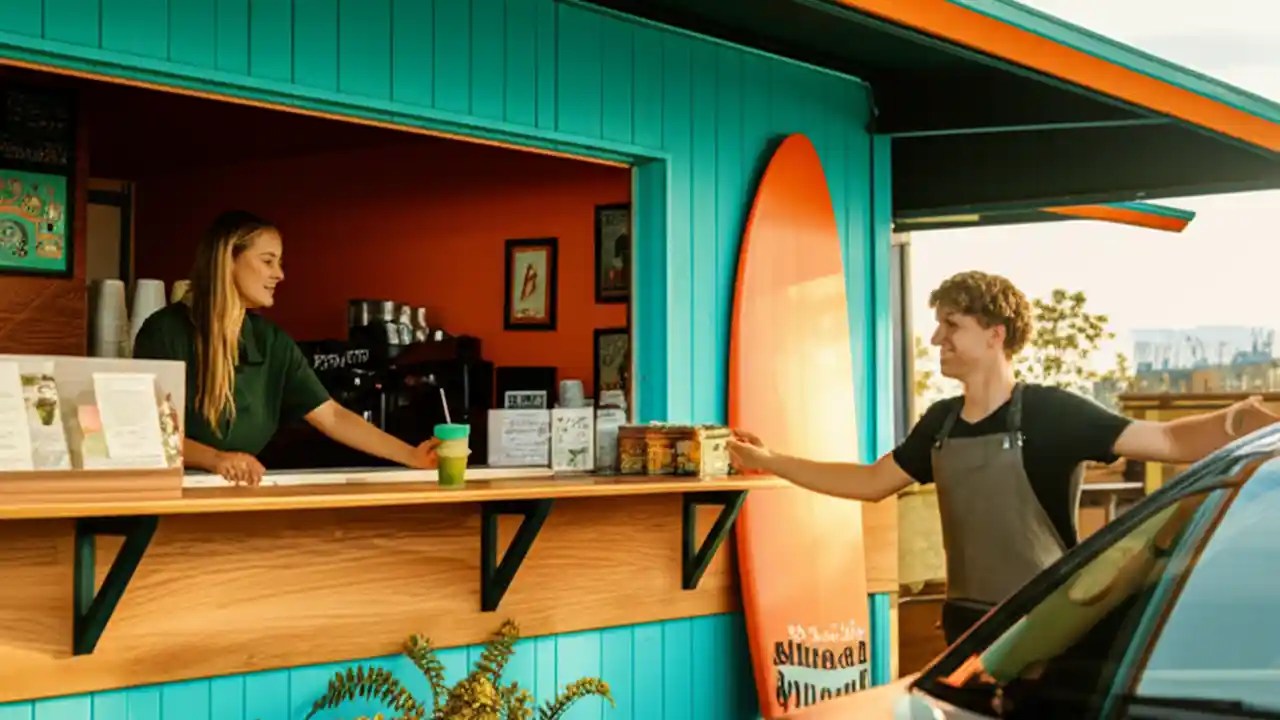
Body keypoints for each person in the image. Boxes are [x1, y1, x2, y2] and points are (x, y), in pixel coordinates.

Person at [729, 270, 1280, 645]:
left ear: (995, 335)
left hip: (1046, 623)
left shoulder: (1050, 412)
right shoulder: (939, 422)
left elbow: (1170, 442)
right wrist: (771, 460)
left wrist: (1240, 421)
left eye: (952, 324)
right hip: (963, 624)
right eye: (939, 324)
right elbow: (871, 482)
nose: (937, 338)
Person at [133, 210, 439, 485]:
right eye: (268, 261)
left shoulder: (272, 341)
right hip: (168, 494)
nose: (279, 274)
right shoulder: (165, 332)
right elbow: (152, 431)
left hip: (237, 493)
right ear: (228, 260)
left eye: (279, 263)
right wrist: (215, 459)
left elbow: (332, 416)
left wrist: (411, 456)